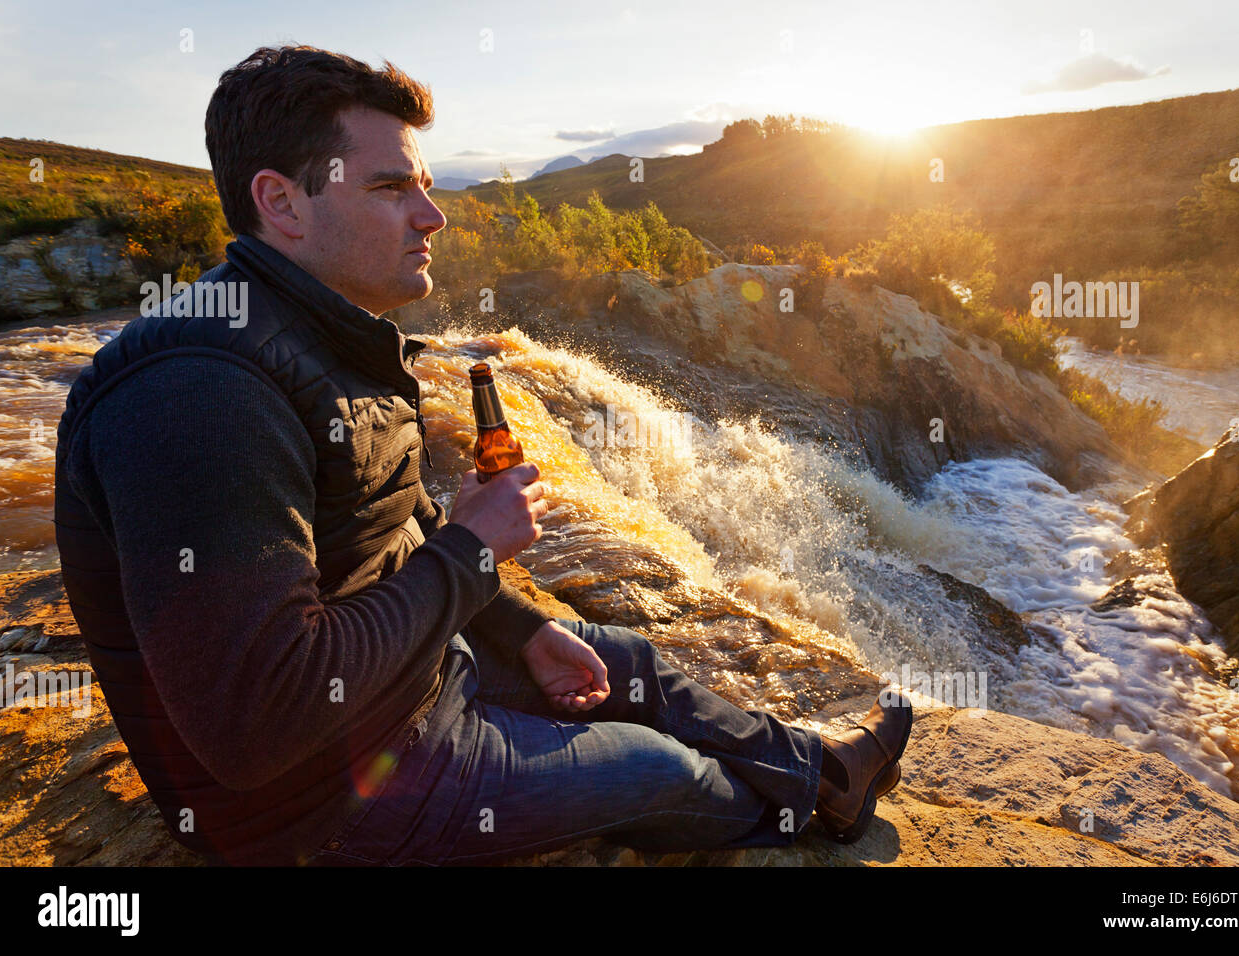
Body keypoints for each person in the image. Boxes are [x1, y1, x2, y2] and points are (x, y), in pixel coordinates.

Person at [52, 44, 913, 866]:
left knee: (629, 664)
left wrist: (522, 628)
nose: (434, 214)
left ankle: (823, 773)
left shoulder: (329, 332)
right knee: (654, 768)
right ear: (282, 203)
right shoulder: (196, 395)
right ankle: (800, 808)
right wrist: (471, 552)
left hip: (406, 678)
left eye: (425, 185)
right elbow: (258, 724)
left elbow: (387, 531)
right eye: (393, 188)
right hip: (320, 802)